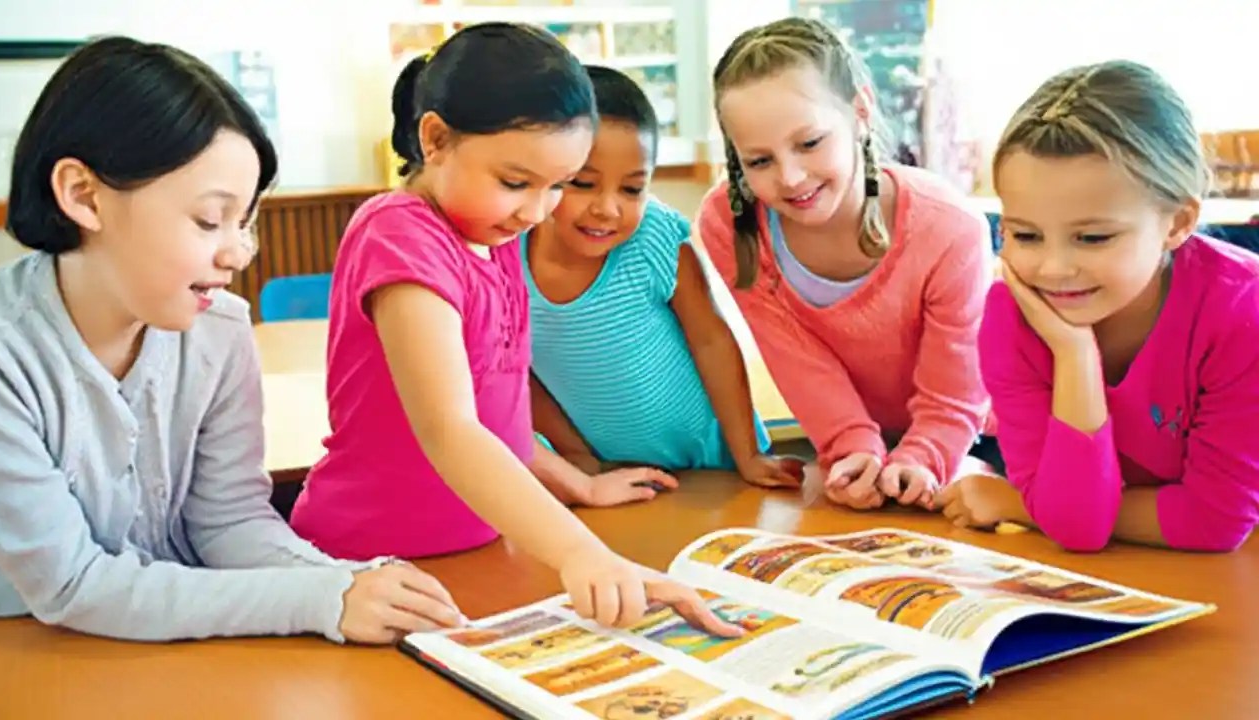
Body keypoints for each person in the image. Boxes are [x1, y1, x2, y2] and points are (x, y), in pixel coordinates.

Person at [0, 36, 463, 644]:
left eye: (246, 222)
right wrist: (315, 597)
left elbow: (228, 521)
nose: (238, 252)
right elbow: (72, 583)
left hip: (178, 645)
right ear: (83, 194)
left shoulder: (219, 329)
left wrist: (345, 583)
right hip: (28, 651)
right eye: (210, 220)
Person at [289, 24, 739, 634]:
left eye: (556, 185)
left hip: (471, 553)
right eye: (515, 182)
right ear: (436, 138)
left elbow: (498, 410)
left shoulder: (491, 236)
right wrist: (580, 550)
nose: (536, 210)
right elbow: (451, 429)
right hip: (375, 563)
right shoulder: (400, 237)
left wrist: (576, 482)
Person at [938, 61, 1259, 553]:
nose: (1053, 268)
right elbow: (1077, 528)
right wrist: (1074, 355)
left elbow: (1214, 522)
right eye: (1024, 234)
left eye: (1092, 237)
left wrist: (1021, 505)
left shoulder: (1242, 313)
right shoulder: (1014, 318)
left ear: (1176, 222)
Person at [696, 17, 993, 511]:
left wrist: (925, 456)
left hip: (976, 443)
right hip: (857, 449)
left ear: (859, 111)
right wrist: (850, 447)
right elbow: (796, 358)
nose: (790, 178)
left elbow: (956, 387)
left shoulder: (950, 228)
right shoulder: (731, 223)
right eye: (759, 161)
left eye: (810, 143)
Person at [524, 65, 802, 488]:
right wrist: (576, 455)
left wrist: (747, 454)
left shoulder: (656, 238)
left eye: (632, 189)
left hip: (717, 459)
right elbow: (519, 373)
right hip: (611, 472)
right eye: (583, 183)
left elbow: (711, 339)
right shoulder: (506, 257)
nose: (608, 209)